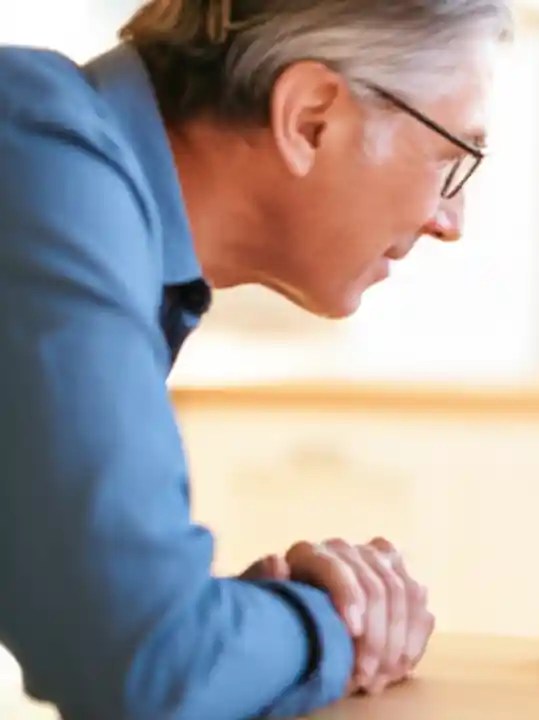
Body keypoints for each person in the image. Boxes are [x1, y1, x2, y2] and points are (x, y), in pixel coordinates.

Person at [0, 1, 511, 717]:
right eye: (450, 159)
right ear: (309, 118)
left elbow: (121, 633)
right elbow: (148, 662)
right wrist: (331, 619)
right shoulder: (42, 157)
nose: (450, 222)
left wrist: (238, 626)